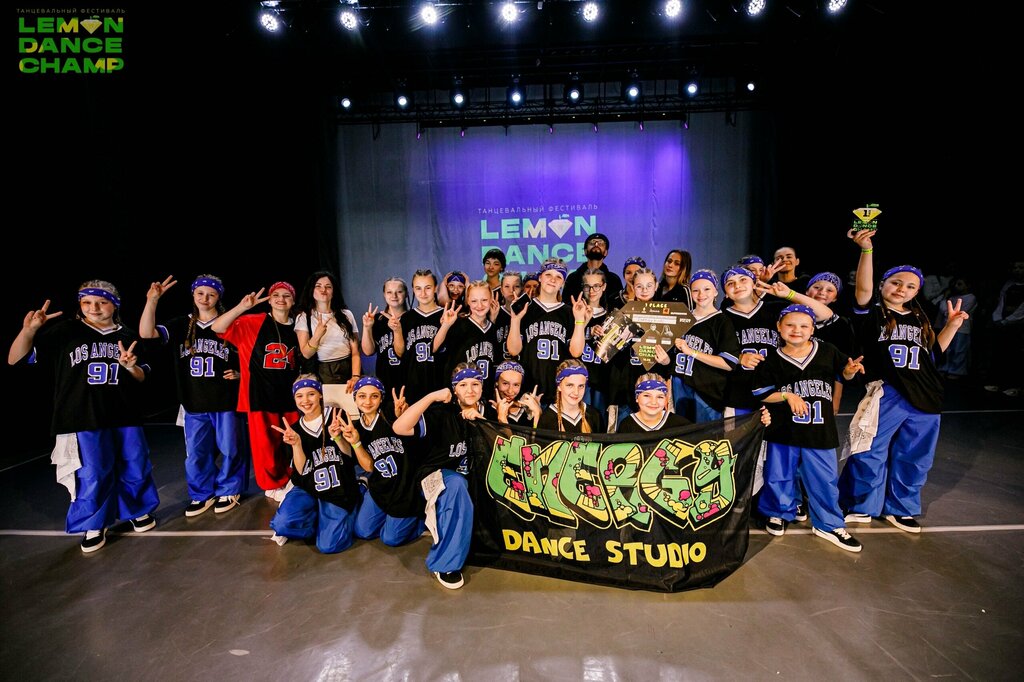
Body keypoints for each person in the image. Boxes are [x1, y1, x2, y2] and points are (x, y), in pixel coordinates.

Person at [9, 281, 159, 553]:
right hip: (81, 417)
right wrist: (28, 331)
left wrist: (130, 367)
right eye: (87, 302)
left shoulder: (127, 334)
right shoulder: (66, 331)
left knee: (135, 465)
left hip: (125, 414)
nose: (94, 308)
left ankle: (137, 510)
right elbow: (15, 360)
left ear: (115, 304)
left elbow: (141, 376)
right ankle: (94, 523)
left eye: (102, 302)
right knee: (92, 473)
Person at [839, 229, 969, 533]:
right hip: (888, 393)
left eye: (911, 286)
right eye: (896, 282)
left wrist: (951, 326)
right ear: (883, 284)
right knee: (869, 450)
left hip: (927, 397)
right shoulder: (871, 313)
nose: (902, 289)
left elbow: (933, 354)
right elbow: (863, 288)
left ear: (917, 292)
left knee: (915, 457)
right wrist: (866, 250)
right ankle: (861, 505)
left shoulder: (920, 318)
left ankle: (901, 508)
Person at [752, 304, 866, 552]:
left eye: (804, 326)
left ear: (813, 329)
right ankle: (778, 512)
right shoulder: (771, 358)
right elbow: (761, 393)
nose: (797, 330)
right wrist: (787, 396)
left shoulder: (827, 351)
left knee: (825, 479)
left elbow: (845, 375)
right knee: (779, 475)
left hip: (820, 431)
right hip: (784, 429)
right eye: (790, 325)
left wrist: (848, 372)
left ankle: (829, 524)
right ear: (779, 327)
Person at [139, 274, 245, 516]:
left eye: (211, 294)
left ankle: (229, 489)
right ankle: (202, 493)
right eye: (200, 293)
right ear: (193, 295)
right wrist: (152, 300)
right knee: (196, 454)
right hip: (193, 402)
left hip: (226, 401)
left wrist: (241, 374)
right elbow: (146, 333)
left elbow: (250, 355)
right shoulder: (181, 324)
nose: (205, 298)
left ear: (219, 297)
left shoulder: (229, 323)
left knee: (230, 449)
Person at [392, 364, 482, 590]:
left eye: (475, 384)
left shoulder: (486, 411)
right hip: (435, 477)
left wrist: (482, 421)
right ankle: (445, 564)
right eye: (463, 385)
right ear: (454, 389)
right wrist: (431, 397)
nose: (470, 390)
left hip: (470, 480)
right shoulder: (442, 413)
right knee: (456, 484)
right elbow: (399, 427)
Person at [212, 281, 300, 503]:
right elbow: (218, 327)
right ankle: (272, 485)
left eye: (286, 295)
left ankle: (292, 478)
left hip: (291, 397)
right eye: (276, 295)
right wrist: (242, 307)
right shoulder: (254, 321)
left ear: (293, 301)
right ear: (269, 300)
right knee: (266, 447)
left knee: (293, 442)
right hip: (260, 395)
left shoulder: (299, 326)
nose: (281, 299)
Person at [721, 265, 833, 417]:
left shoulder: (776, 309)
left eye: (743, 279)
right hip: (739, 394)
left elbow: (825, 314)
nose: (737, 285)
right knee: (736, 433)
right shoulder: (721, 318)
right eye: (730, 283)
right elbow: (713, 353)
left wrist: (789, 294)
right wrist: (738, 358)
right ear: (725, 293)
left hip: (779, 391)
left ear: (754, 283)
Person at [268, 376, 360, 553]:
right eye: (299, 396)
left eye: (311, 394)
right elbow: (302, 471)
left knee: (329, 546)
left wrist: (338, 438)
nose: (305, 400)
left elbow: (350, 456)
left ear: (320, 394)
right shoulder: (294, 430)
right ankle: (317, 519)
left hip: (337, 487)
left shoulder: (336, 416)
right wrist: (296, 444)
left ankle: (354, 503)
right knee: (282, 524)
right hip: (308, 487)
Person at [336, 376, 425, 547]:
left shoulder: (392, 415)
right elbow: (369, 466)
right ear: (355, 398)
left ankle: (420, 518)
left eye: (374, 396)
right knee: (363, 531)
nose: (367, 401)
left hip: (405, 487)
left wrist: (404, 416)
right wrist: (355, 443)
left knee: (390, 539)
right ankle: (392, 518)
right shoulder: (355, 427)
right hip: (381, 486)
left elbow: (413, 436)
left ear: (382, 398)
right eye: (362, 396)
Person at [506, 258, 589, 404]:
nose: (553, 280)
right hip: (529, 390)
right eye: (548, 275)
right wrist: (515, 320)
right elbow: (513, 350)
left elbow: (576, 352)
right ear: (540, 277)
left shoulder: (569, 312)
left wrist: (579, 320)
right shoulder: (525, 308)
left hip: (559, 392)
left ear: (563, 283)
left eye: (558, 277)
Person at [671, 269, 739, 423]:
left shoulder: (722, 321)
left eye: (707, 289)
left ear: (716, 292)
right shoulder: (682, 318)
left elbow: (729, 363)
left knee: (706, 437)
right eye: (696, 290)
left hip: (708, 393)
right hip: (680, 388)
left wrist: (692, 352)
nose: (701, 294)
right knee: (682, 434)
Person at [295, 271, 360, 415]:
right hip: (322, 371)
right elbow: (306, 353)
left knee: (352, 414)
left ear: (333, 291)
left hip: (347, 368)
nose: (323, 290)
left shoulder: (346, 315)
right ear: (312, 290)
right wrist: (317, 335)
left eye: (328, 287)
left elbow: (356, 351)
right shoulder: (304, 317)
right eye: (318, 286)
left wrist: (355, 376)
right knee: (328, 416)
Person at [434, 280, 502, 397]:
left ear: (491, 299)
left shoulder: (493, 328)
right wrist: (445, 325)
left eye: (484, 300)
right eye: (474, 301)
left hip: (484, 396)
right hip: (459, 396)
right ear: (468, 301)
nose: (479, 305)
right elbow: (434, 348)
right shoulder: (458, 324)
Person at [805, 272, 856, 412]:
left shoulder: (840, 325)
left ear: (835, 298)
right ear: (806, 291)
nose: (822, 292)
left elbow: (840, 366)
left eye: (829, 290)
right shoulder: (791, 317)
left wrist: (836, 398)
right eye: (817, 287)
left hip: (822, 387)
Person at [396, 269, 446, 403]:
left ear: (435, 288)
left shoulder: (447, 315)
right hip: (413, 385)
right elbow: (400, 353)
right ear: (413, 289)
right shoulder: (406, 318)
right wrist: (397, 331)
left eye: (427, 288)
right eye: (418, 288)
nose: (423, 293)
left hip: (440, 384)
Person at [360, 277, 408, 416]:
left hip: (408, 378)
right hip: (385, 378)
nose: (394, 296)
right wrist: (367, 327)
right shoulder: (378, 319)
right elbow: (368, 351)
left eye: (399, 291)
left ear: (406, 294)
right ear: (384, 294)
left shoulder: (412, 318)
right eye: (389, 292)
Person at [535, 360, 603, 433]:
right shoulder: (547, 418)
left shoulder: (595, 415)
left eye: (581, 386)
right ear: (559, 386)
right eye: (570, 385)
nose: (576, 392)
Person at [563, 233, 623, 309]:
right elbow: (566, 305)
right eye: (592, 243)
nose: (596, 245)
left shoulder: (614, 279)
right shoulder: (573, 278)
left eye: (601, 244)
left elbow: (619, 307)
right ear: (585, 251)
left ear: (606, 252)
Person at [616, 374, 693, 433]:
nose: (653, 402)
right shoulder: (626, 425)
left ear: (666, 399)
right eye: (647, 396)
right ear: (637, 398)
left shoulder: (679, 423)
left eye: (660, 397)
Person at [487, 360, 542, 426]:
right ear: (497, 382)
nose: (510, 391)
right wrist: (502, 418)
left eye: (516, 385)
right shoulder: (486, 409)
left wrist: (537, 415)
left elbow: (534, 432)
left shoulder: (527, 410)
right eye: (505, 383)